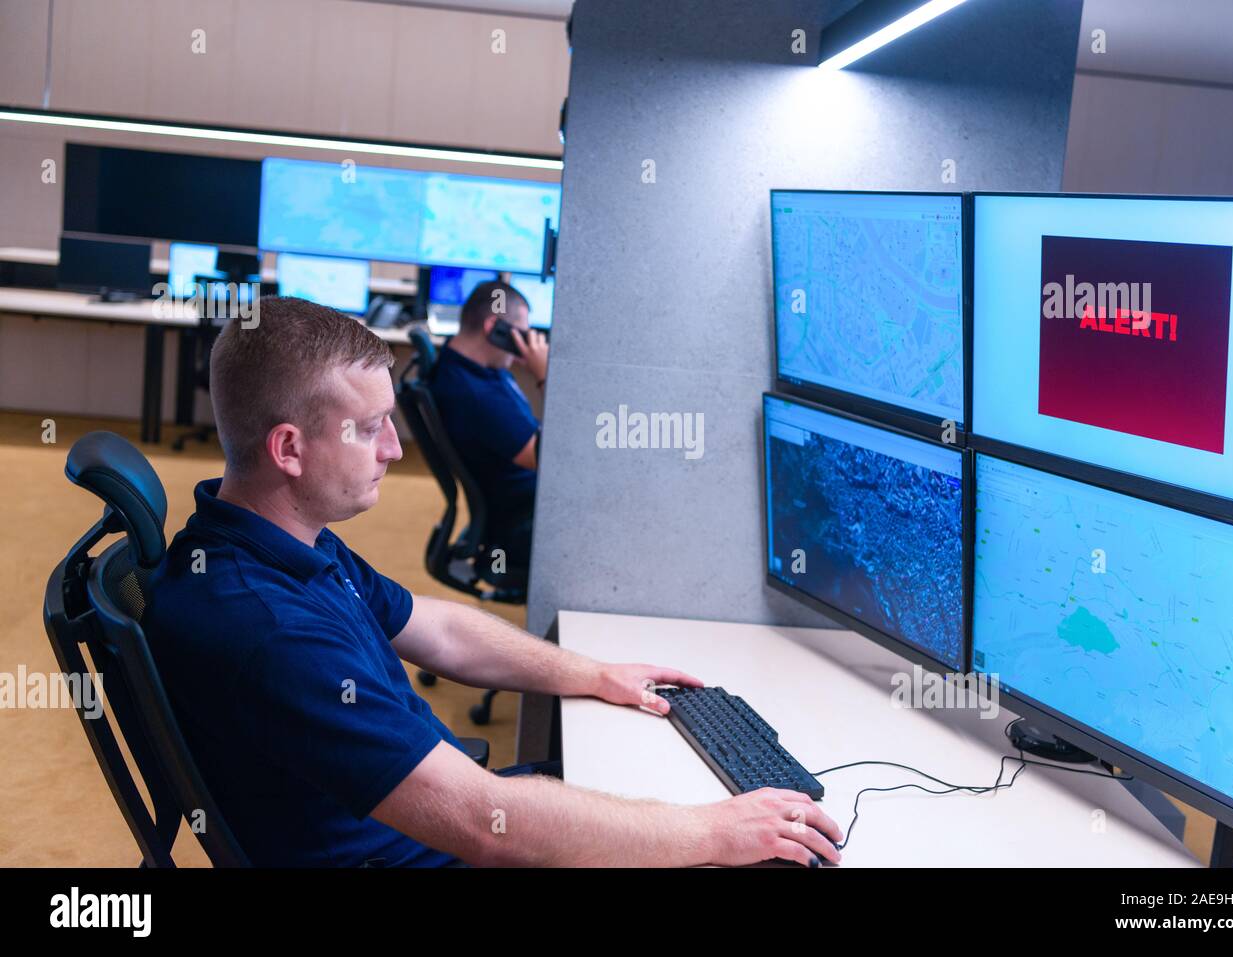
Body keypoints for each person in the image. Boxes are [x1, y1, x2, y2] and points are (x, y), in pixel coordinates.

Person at [143, 296, 841, 867]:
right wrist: (710, 834)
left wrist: (594, 674)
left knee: (655, 795)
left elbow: (440, 629)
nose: (395, 448)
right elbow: (485, 824)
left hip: (449, 815)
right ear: (288, 448)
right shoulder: (268, 626)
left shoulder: (277, 540)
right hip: (440, 846)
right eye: (371, 428)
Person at [427, 280, 546, 571]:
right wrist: (545, 377)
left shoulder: (474, 369)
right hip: (525, 523)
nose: (524, 344)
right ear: (495, 328)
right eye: (521, 333)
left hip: (530, 506)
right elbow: (546, 458)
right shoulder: (473, 393)